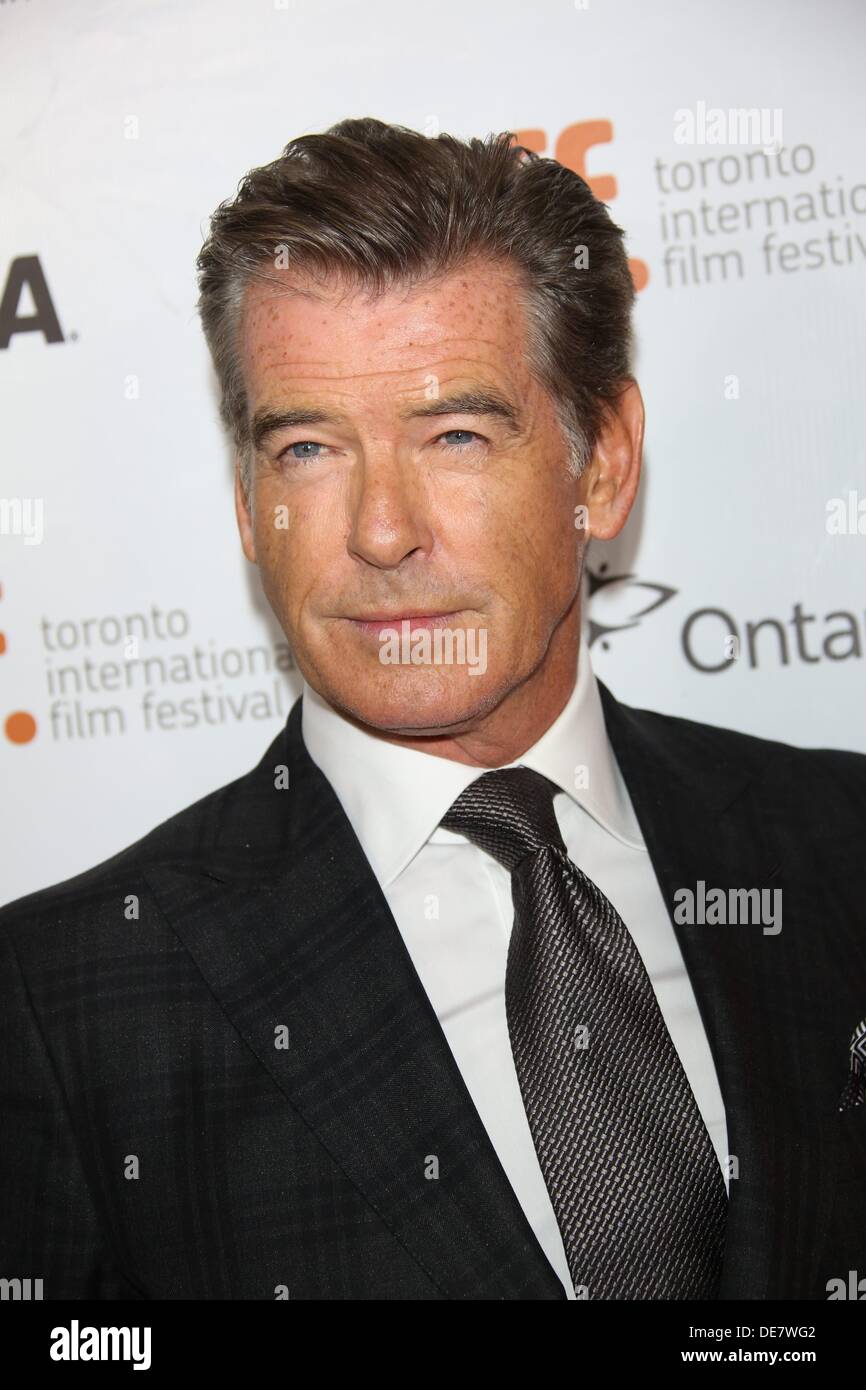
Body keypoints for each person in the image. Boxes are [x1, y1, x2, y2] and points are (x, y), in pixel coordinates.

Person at [1, 118, 864, 1301]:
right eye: (307, 448)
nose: (378, 529)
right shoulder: (60, 1003)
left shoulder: (839, 841)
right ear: (250, 505)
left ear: (600, 464)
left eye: (454, 434)